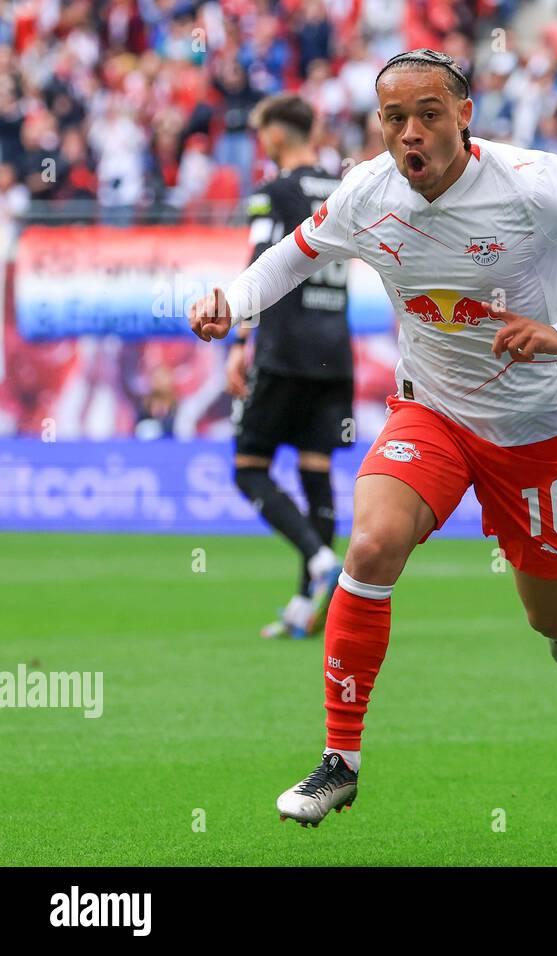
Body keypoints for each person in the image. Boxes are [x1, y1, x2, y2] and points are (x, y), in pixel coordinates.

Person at [189, 50, 557, 825]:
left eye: (429, 115)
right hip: (430, 413)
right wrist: (233, 301)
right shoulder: (366, 192)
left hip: (530, 431)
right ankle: (340, 762)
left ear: (464, 114)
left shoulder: (531, 184)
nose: (411, 133)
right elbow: (290, 260)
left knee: (553, 621)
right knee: (370, 547)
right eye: (394, 118)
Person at [227, 93, 351, 639]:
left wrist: (239, 339)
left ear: (277, 134)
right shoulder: (344, 190)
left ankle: (321, 564)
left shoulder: (272, 191)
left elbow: (258, 262)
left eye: (262, 134)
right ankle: (307, 605)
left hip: (283, 350)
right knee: (315, 471)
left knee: (248, 468)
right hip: (334, 350)